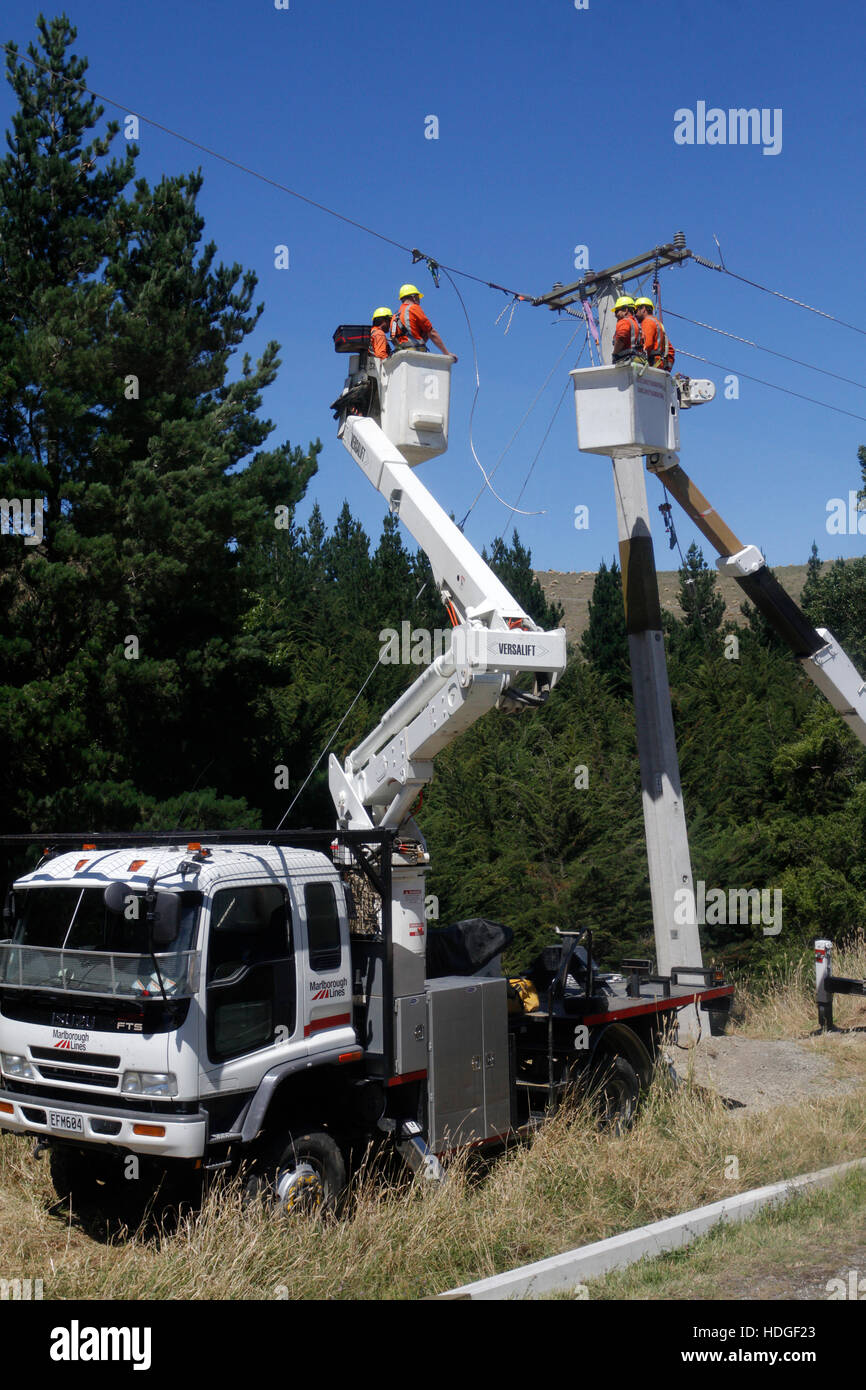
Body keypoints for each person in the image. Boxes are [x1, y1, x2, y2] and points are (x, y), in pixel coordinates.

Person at [391, 284, 458, 360]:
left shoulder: (394, 316)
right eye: (418, 297)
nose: (419, 300)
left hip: (400, 357)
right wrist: (447, 353)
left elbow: (394, 338)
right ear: (414, 297)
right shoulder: (413, 308)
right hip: (415, 355)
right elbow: (432, 333)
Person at [634, 297, 674, 372]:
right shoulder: (656, 322)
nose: (635, 315)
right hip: (659, 363)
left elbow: (646, 345)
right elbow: (670, 349)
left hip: (654, 363)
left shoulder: (647, 322)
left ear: (643, 309)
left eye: (636, 311)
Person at [611, 296, 644, 364]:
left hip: (626, 361)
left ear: (625, 310)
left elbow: (621, 337)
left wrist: (615, 354)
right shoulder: (636, 325)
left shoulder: (624, 321)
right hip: (636, 360)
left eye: (617, 311)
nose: (615, 315)